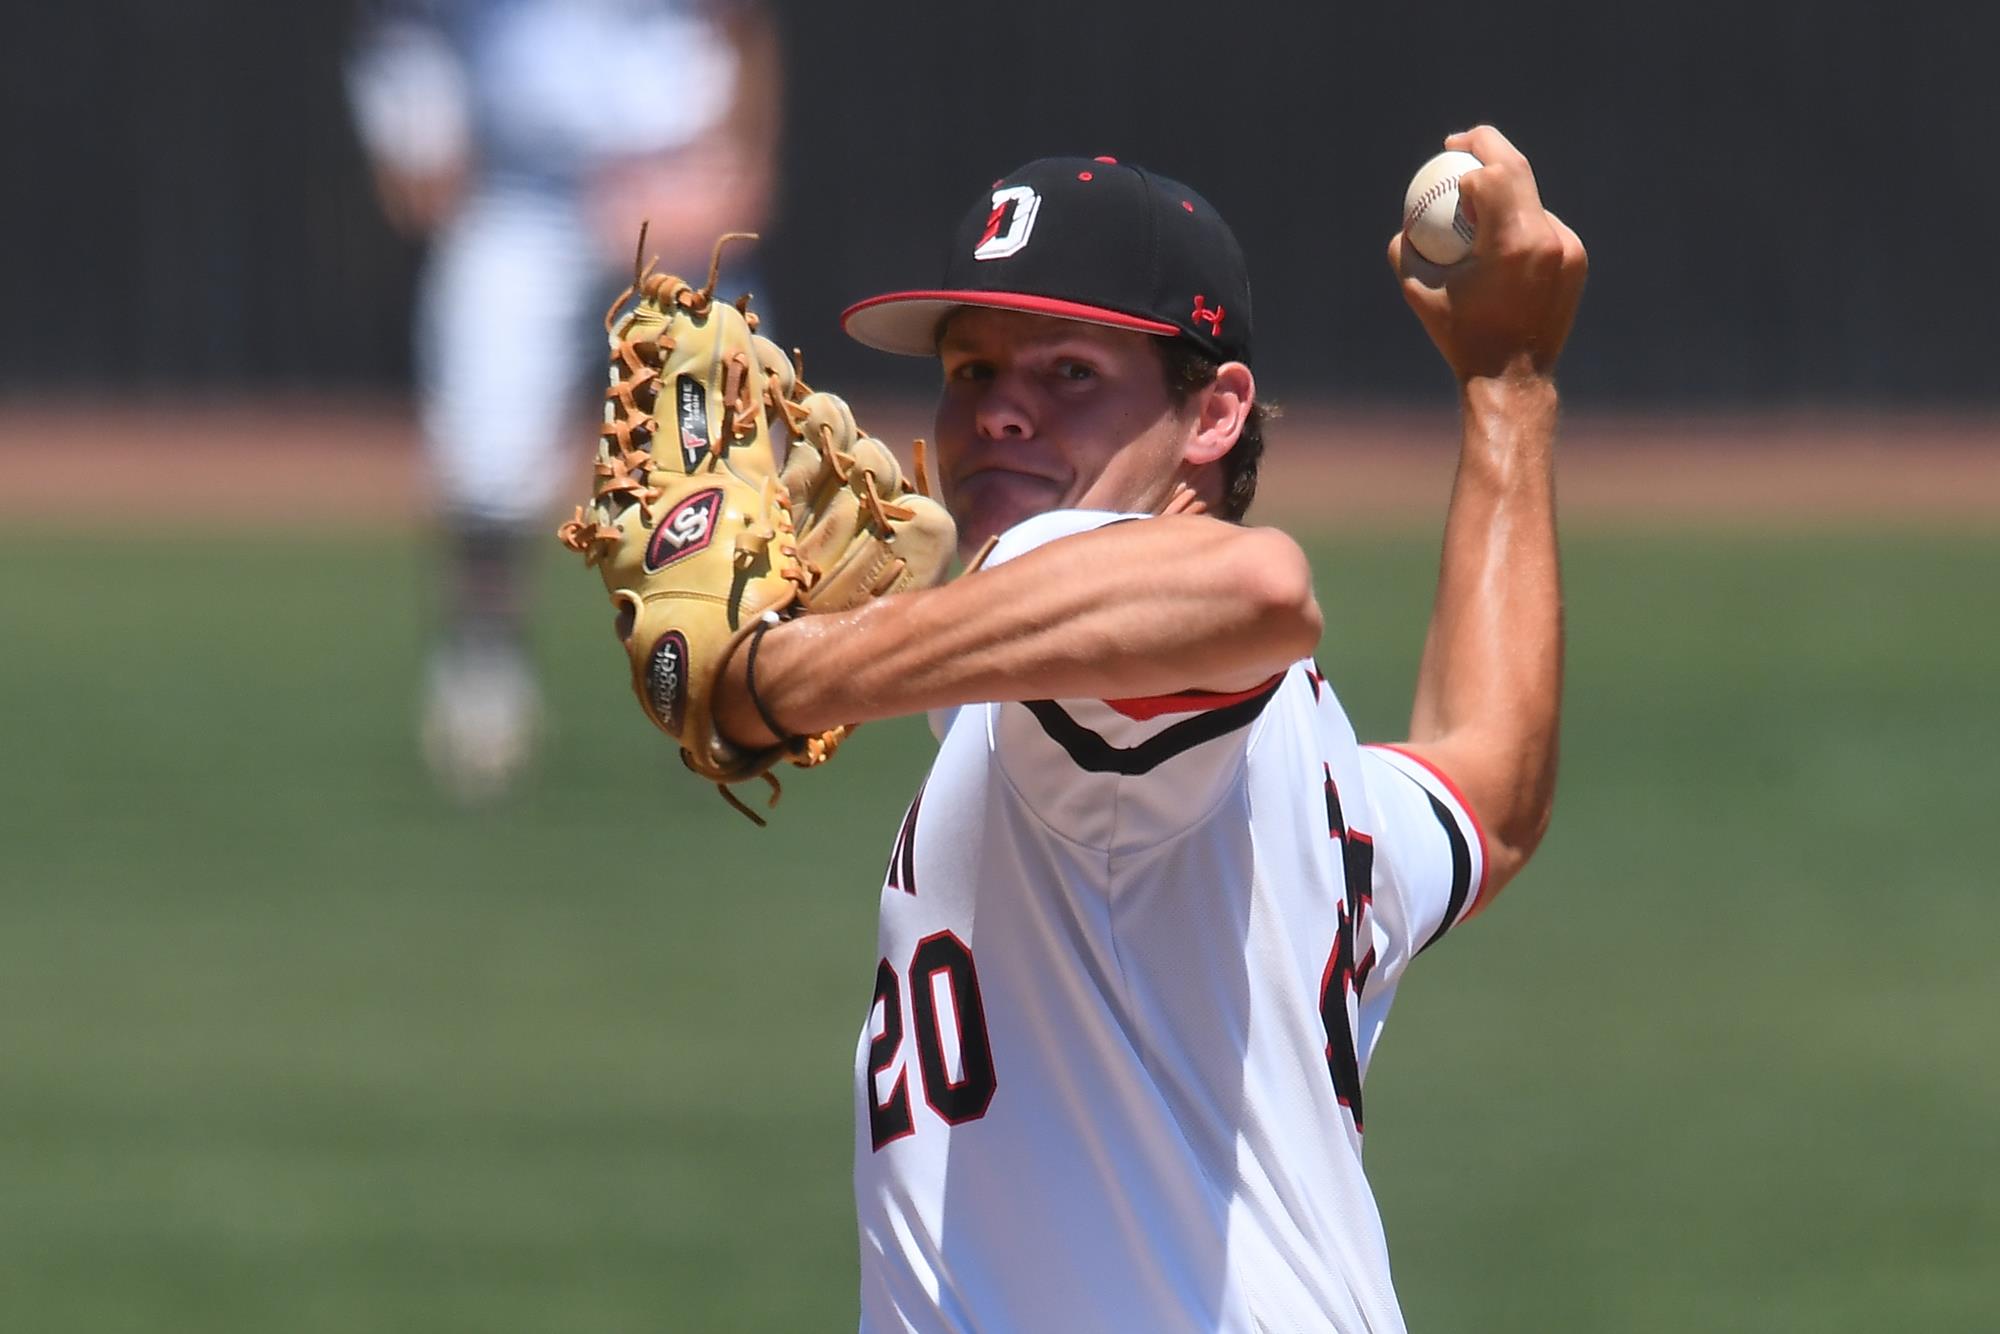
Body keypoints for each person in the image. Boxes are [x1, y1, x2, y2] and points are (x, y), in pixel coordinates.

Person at [717, 128, 1586, 1330]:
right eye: (970, 370)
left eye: (1068, 372)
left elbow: (1258, 591)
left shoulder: (1085, 616)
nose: (998, 413)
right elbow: (1487, 787)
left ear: (1213, 413)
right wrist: (1506, 386)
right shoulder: (1297, 758)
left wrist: (778, 678)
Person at [346, 0, 781, 798]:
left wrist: (743, 163)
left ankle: (745, 680)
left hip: (675, 177)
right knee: (487, 463)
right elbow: (400, 25)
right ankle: (483, 678)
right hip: (521, 190)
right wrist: (410, 133)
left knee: (728, 454)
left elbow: (741, 21)